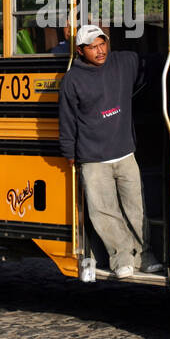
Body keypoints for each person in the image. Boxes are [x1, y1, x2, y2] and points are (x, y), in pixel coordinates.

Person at [58, 24, 162, 278]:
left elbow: (158, 63)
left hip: (125, 152)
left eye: (102, 43)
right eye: (92, 47)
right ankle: (121, 258)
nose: (99, 50)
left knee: (136, 208)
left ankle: (144, 255)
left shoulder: (123, 62)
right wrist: (69, 152)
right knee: (104, 211)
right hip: (93, 158)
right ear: (81, 51)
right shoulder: (72, 79)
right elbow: (67, 119)